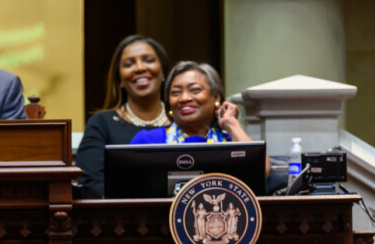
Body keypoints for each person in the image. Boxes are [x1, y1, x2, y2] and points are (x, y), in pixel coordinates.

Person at [132, 61, 271, 175]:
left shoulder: (230, 141)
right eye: (175, 92)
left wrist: (231, 124)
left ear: (216, 97)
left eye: (195, 90)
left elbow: (261, 171)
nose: (184, 98)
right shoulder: (147, 141)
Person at [75, 35, 171, 198]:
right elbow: (91, 184)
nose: (139, 68)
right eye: (129, 64)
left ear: (163, 72)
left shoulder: (183, 121)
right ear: (119, 78)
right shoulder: (101, 124)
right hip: (120, 219)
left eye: (148, 60)